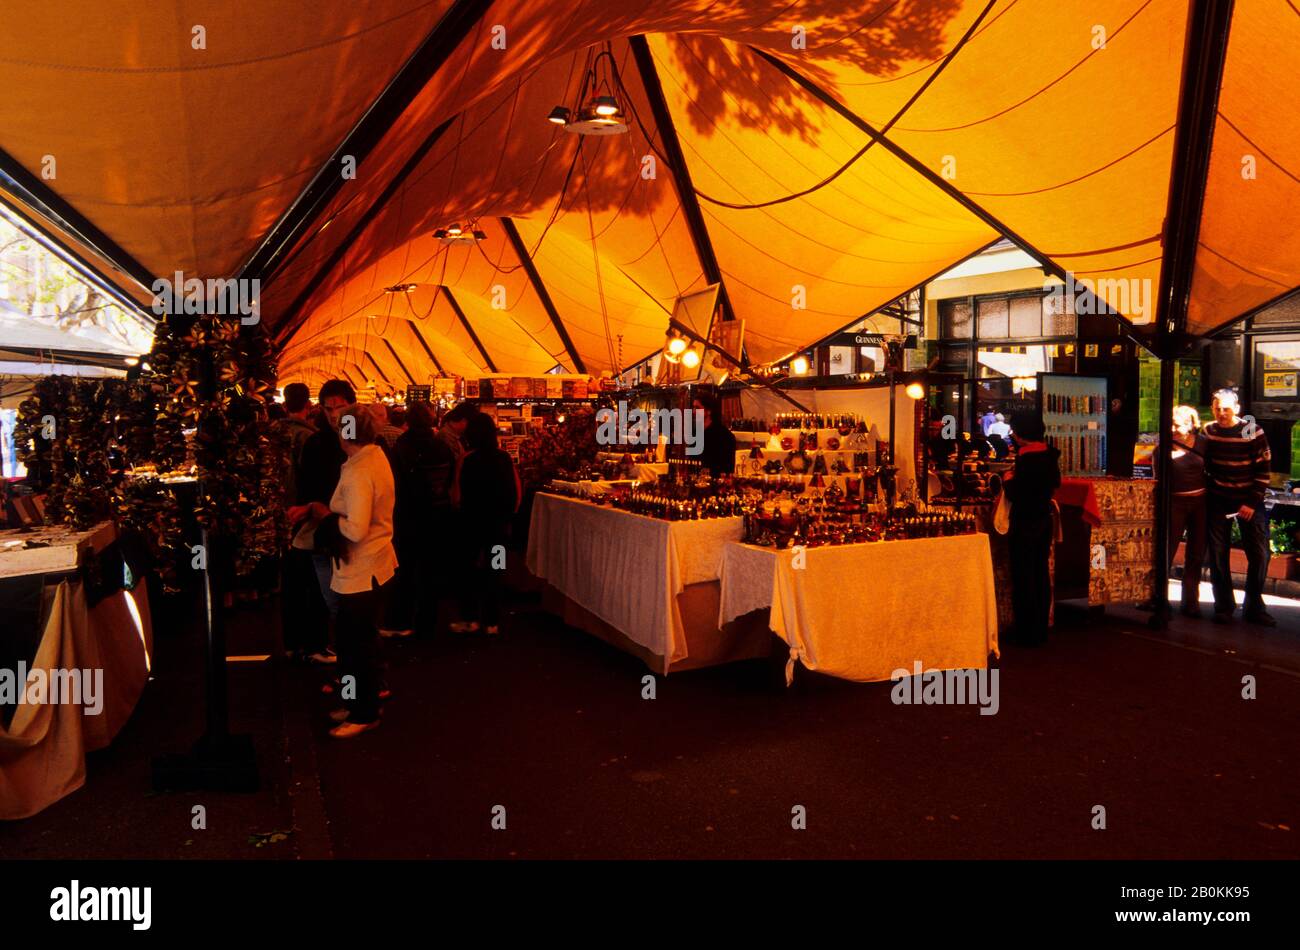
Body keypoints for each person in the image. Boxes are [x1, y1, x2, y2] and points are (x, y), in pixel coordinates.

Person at [305, 402, 397, 737]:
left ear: (346, 435)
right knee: (359, 642)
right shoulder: (372, 457)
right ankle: (356, 702)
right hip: (375, 564)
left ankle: (363, 712)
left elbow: (356, 529)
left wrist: (324, 516)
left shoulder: (359, 469)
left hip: (361, 569)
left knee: (355, 646)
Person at [286, 378, 352, 664]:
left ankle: (356, 674)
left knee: (349, 604)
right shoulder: (316, 442)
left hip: (352, 532)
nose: (335, 414)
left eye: (340, 407)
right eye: (329, 408)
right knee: (333, 600)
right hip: (327, 532)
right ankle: (346, 666)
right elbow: (307, 485)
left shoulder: (367, 443)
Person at [1200, 389, 1274, 626]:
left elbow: (1264, 471)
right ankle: (1224, 607)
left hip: (1249, 499)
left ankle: (1254, 606)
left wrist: (1251, 503)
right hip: (1219, 500)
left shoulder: (1251, 430)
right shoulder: (1208, 431)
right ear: (1212, 409)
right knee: (1218, 555)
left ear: (1238, 409)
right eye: (1217, 408)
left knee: (1260, 554)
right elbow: (1204, 465)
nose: (1222, 413)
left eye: (1227, 408)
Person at [384, 401, 455, 637]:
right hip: (438, 516)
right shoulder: (441, 447)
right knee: (430, 571)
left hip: (408, 517)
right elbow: (450, 479)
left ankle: (401, 622)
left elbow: (394, 483)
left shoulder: (402, 447)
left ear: (407, 421)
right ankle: (427, 622)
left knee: (404, 571)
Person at [450, 412, 520, 635]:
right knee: (495, 570)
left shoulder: (466, 459)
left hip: (469, 527)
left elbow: (456, 496)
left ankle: (469, 618)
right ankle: (492, 621)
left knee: (467, 570)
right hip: (497, 528)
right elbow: (516, 494)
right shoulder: (504, 458)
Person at [274, 383, 327, 661]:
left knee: (291, 583)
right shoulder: (310, 438)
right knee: (312, 581)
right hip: (303, 514)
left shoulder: (273, 434)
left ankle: (292, 641)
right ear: (309, 405)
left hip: (279, 514)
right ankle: (312, 644)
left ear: (284, 404)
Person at [1002, 409, 1061, 646]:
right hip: (1043, 520)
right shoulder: (1049, 454)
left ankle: (1027, 630)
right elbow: (1055, 483)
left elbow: (1018, 493)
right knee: (1040, 573)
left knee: (1024, 575)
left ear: (1019, 434)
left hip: (1025, 521)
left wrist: (1008, 481)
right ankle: (1039, 628)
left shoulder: (1027, 458)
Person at [1169, 405, 1207, 617]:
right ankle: (1156, 596)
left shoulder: (1203, 443)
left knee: (1196, 553)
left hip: (1200, 503)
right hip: (1175, 503)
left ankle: (1191, 601)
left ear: (1191, 425)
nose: (1173, 429)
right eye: (1171, 424)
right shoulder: (1163, 447)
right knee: (1168, 550)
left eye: (1178, 425)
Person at [692, 391, 736, 477]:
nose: (693, 412)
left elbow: (727, 469)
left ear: (709, 411)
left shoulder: (724, 436)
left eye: (697, 408)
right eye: (693, 408)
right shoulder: (694, 433)